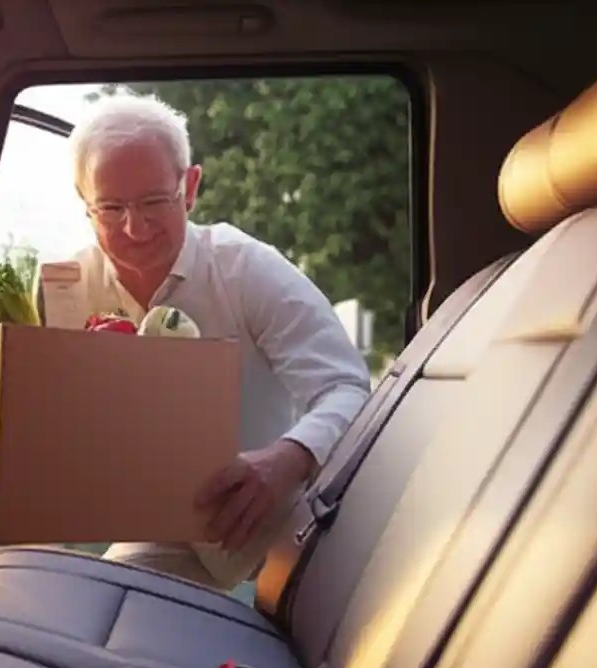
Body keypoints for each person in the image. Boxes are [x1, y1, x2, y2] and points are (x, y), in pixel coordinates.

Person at [39, 93, 371, 592]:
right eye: (110, 208)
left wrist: (287, 460)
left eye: (154, 201)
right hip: (161, 531)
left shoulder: (246, 268)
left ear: (189, 187)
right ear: (83, 202)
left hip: (280, 532)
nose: (134, 228)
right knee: (57, 598)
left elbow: (348, 387)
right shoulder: (65, 289)